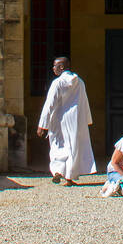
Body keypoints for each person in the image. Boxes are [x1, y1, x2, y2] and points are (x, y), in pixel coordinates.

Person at [37, 56, 96, 185]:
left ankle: (58, 171)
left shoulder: (57, 83)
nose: (53, 68)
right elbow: (84, 102)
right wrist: (86, 120)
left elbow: (49, 104)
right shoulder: (79, 82)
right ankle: (69, 177)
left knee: (58, 145)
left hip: (59, 120)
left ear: (62, 67)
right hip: (75, 120)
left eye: (55, 66)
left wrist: (42, 125)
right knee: (73, 147)